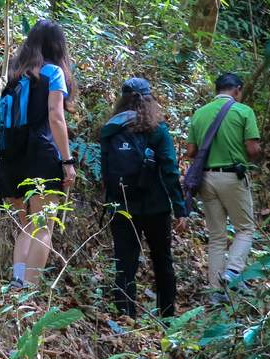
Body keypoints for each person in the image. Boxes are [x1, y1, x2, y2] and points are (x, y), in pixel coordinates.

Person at [0, 19, 74, 290]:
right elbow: (56, 116)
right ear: (58, 47)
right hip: (41, 153)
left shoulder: (7, 71)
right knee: (43, 224)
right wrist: (67, 161)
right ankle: (29, 289)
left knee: (26, 223)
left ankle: (18, 281)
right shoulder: (53, 73)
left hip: (8, 153)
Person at [99, 77, 187, 318]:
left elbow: (105, 171)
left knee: (125, 262)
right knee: (162, 260)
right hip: (156, 206)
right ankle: (167, 317)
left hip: (122, 204)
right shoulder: (157, 130)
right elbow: (169, 169)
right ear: (149, 99)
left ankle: (126, 315)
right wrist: (180, 208)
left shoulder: (110, 130)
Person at [184, 72, 261, 301]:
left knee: (216, 236)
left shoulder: (199, 114)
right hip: (233, 177)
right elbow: (253, 149)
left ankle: (216, 292)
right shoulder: (243, 111)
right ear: (236, 90)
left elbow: (190, 152)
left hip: (205, 179)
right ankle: (233, 271)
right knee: (245, 229)